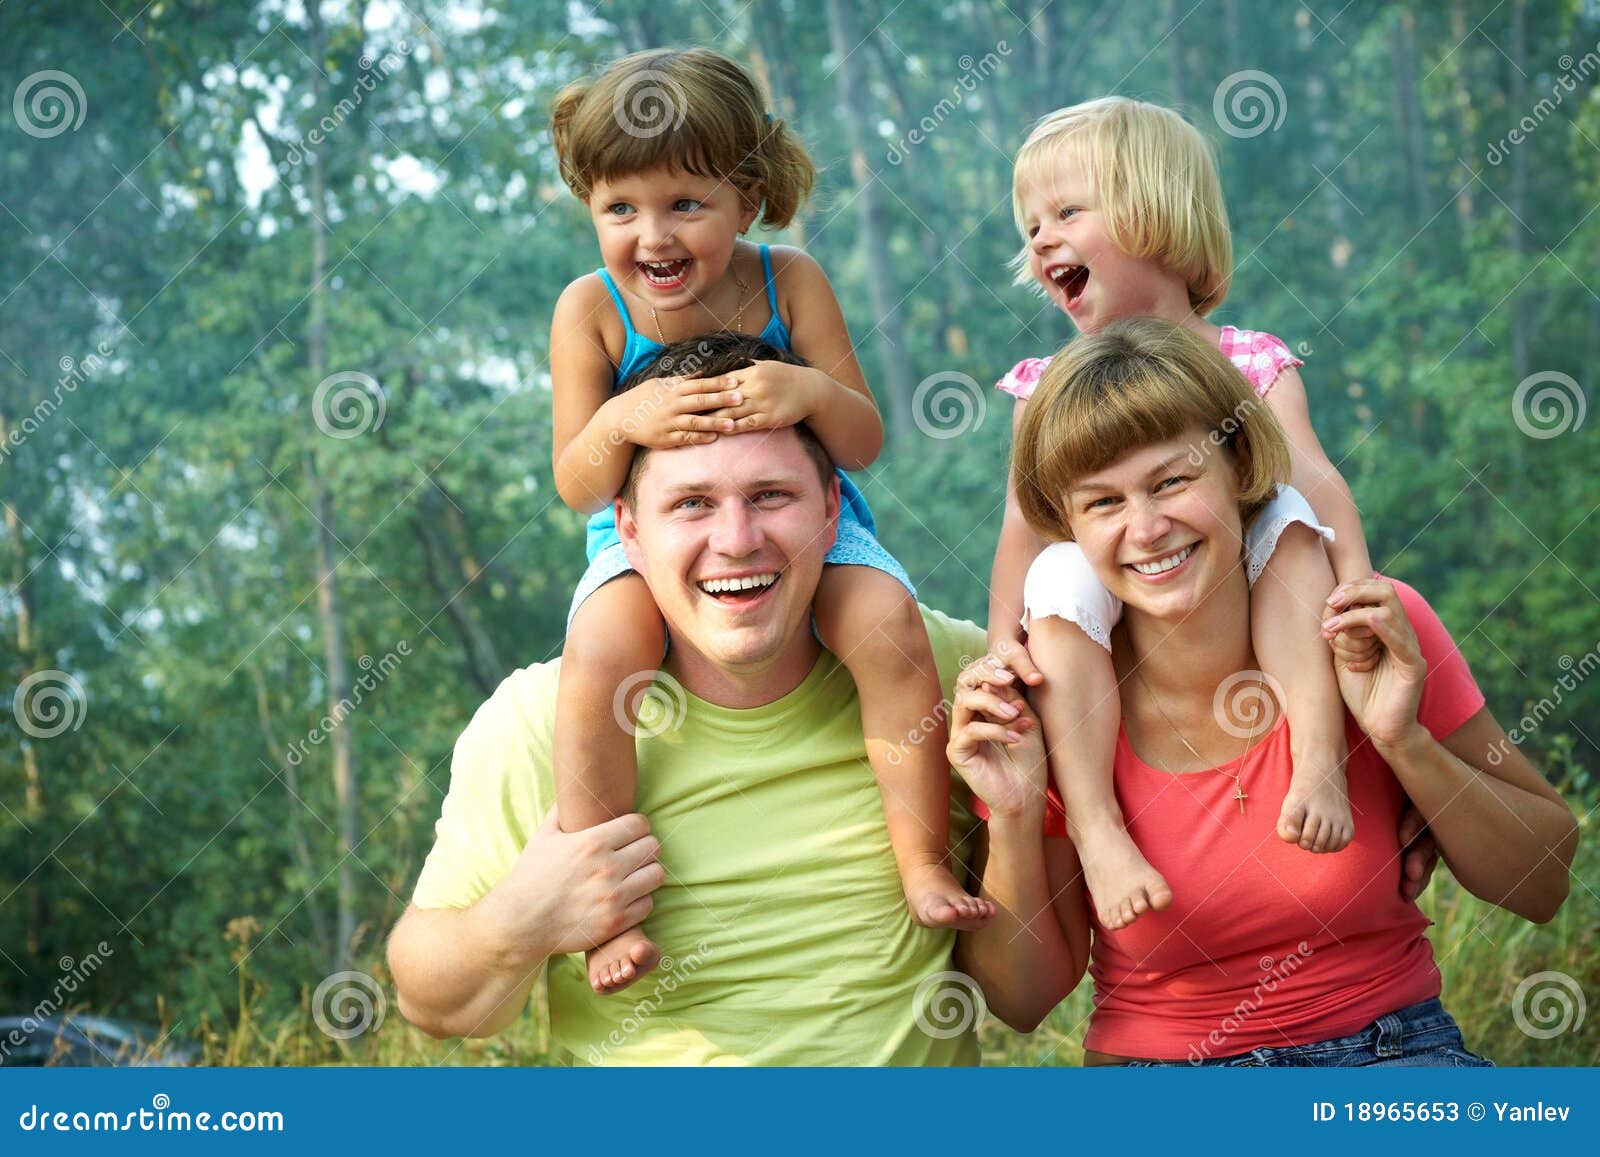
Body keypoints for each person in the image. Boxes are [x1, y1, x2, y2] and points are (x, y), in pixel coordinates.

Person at [951, 319, 1579, 1065]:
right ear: (1068, 527)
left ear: (1238, 465)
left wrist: (1403, 743)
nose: (1147, 529)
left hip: (1391, 1059)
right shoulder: (1052, 700)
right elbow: (1022, 1003)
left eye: (1172, 481)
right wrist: (1018, 815)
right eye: (1103, 504)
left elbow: (1543, 883)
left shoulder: (1369, 633)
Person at [388, 334, 990, 1064]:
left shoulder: (938, 671)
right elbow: (429, 1002)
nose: (736, 540)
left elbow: (1039, 981)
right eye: (692, 504)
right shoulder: (541, 721)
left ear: (833, 510)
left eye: (770, 495)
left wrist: (1016, 818)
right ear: (630, 531)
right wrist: (523, 920)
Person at [545, 47, 987, 995]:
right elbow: (578, 483)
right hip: (644, 541)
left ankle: (919, 860)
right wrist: (620, 420)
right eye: (620, 208)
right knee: (599, 652)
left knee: (887, 627)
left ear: (747, 200)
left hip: (806, 527)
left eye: (684, 205)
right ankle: (605, 907)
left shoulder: (790, 282)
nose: (650, 235)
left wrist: (807, 386)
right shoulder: (591, 310)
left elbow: (861, 439)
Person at [989, 96, 1369, 932]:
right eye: (1030, 227)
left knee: (1292, 515)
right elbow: (1024, 530)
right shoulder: (1044, 387)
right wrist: (998, 650)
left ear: (1155, 216)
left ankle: (1317, 759)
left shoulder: (1247, 361)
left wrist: (1362, 591)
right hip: (1122, 595)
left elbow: (1320, 482)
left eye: (1066, 212)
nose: (1041, 239)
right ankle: (1096, 824)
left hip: (1237, 580)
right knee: (1059, 572)